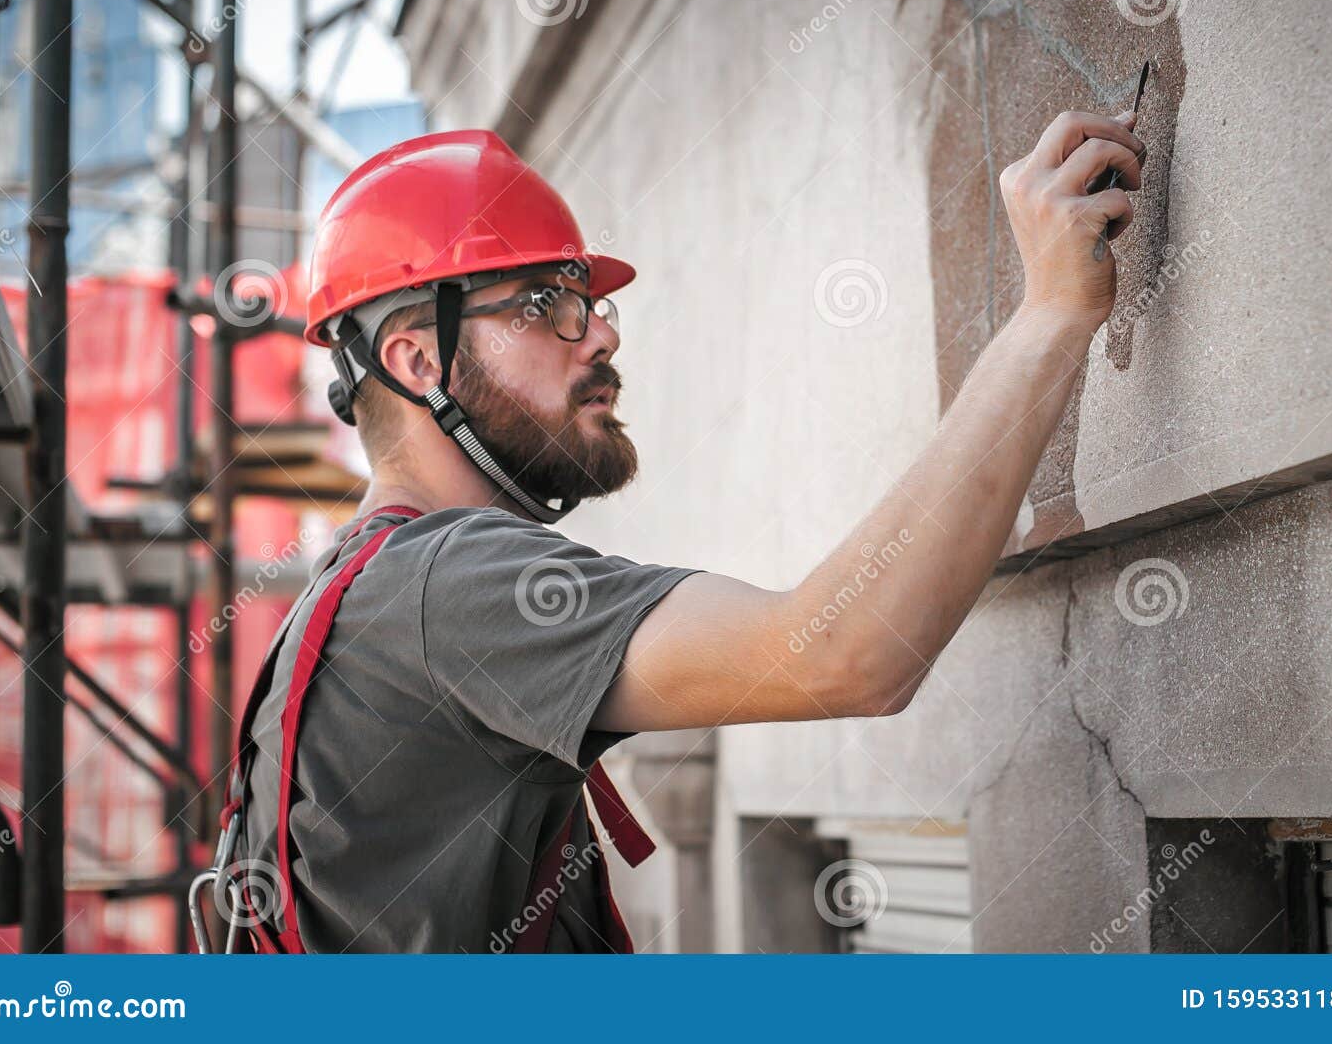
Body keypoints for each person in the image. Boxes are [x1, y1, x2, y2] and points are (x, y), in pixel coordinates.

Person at [222, 111, 1144, 953]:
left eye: (587, 300)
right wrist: (1052, 312)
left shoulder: (354, 593)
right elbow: (849, 653)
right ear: (417, 358)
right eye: (544, 305)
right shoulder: (449, 584)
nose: (600, 338)